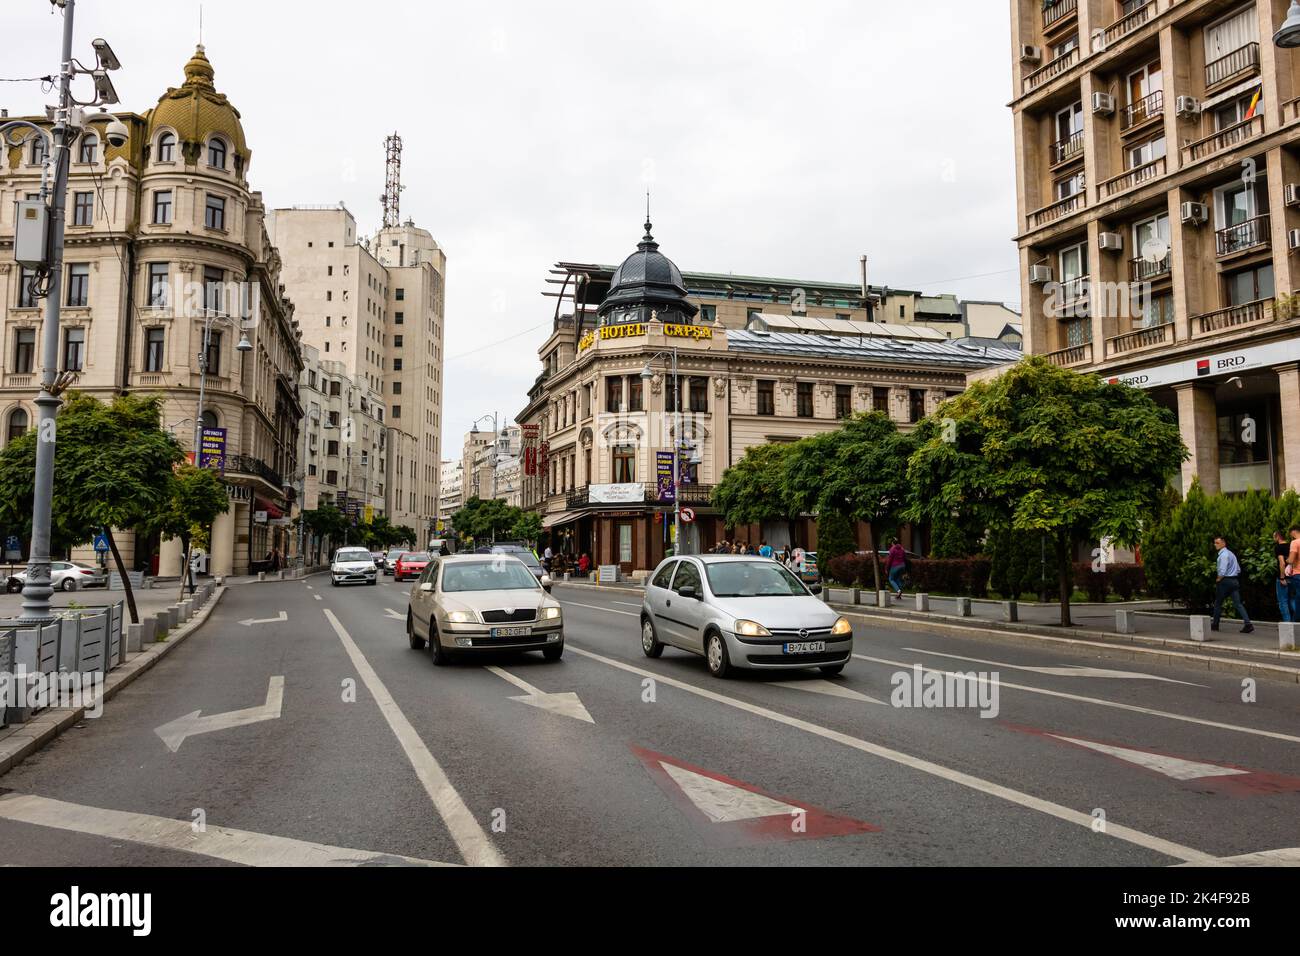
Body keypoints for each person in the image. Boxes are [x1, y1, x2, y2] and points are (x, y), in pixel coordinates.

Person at [1211, 535, 1253, 634]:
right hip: (1234, 581)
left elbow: (1222, 570)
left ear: (1223, 543)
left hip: (1225, 581)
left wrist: (1218, 579)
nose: (1215, 545)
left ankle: (1215, 625)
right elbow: (1238, 569)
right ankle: (1248, 624)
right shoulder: (1231, 554)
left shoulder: (1223, 555)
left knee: (1218, 603)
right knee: (1238, 604)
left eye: (1217, 543)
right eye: (1215, 543)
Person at [1274, 530, 1293, 623]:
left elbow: (1282, 563)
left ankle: (1287, 624)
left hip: (1284, 577)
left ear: (1278, 536)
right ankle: (1296, 622)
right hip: (1293, 576)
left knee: (1283, 601)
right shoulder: (1292, 546)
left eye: (1274, 536)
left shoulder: (1278, 547)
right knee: (1293, 600)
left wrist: (1282, 578)